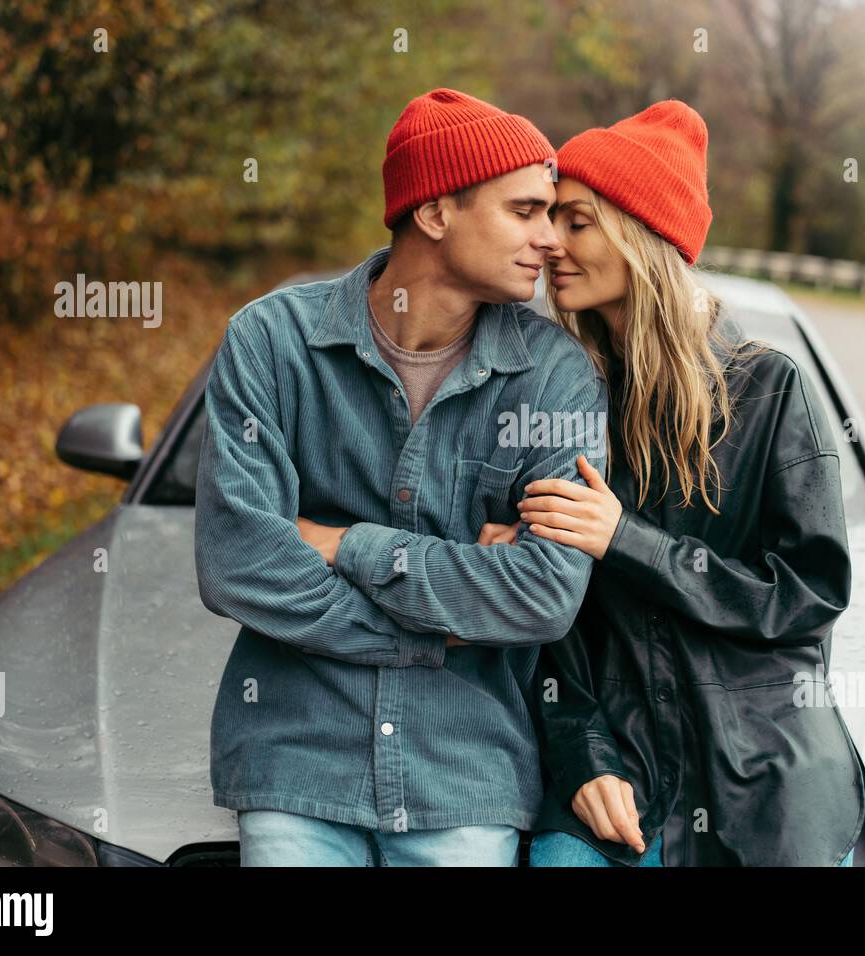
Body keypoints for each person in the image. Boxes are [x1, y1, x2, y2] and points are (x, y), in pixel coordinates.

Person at [194, 88, 609, 866]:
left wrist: (344, 544)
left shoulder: (556, 378)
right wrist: (444, 625)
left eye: (551, 214)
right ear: (436, 212)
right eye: (525, 211)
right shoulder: (271, 342)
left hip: (465, 771)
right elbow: (239, 563)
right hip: (297, 759)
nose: (551, 239)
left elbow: (543, 595)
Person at [478, 100, 865, 866]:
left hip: (764, 780)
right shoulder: (559, 402)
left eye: (577, 221)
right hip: (620, 770)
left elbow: (805, 599)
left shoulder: (768, 389)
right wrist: (581, 756)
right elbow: (550, 639)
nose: (550, 245)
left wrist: (626, 542)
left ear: (641, 235)